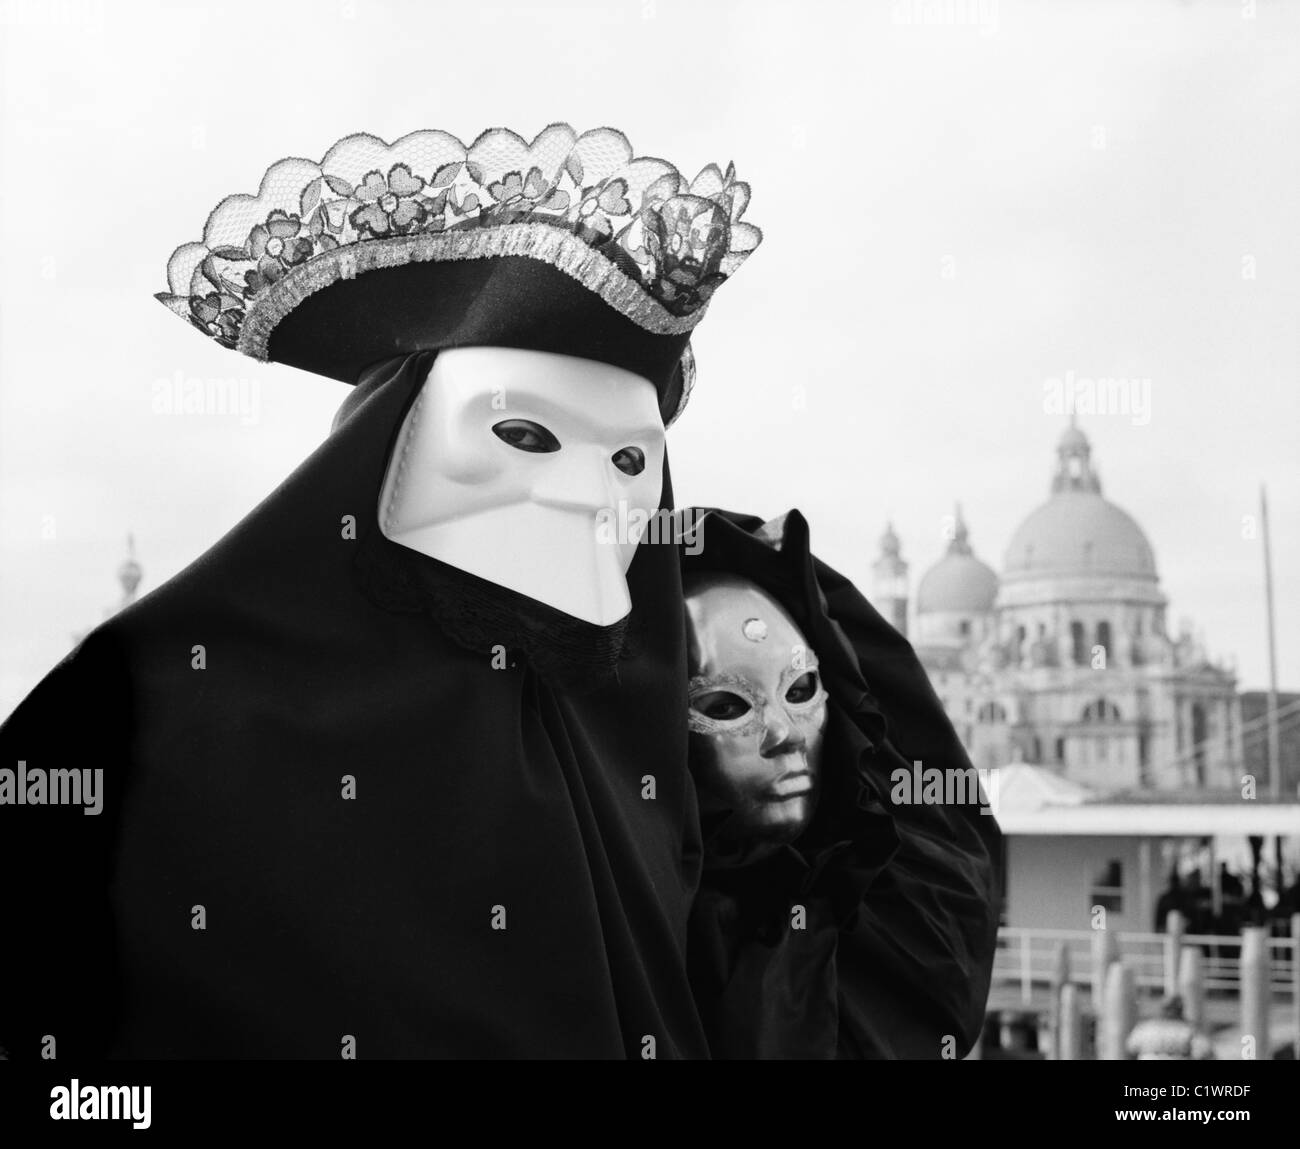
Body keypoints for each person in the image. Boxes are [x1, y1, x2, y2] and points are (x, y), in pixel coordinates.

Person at [0, 125, 761, 1058]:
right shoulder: (159, 719)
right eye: (527, 434)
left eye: (633, 461)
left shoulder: (636, 750)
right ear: (386, 447)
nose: (593, 495)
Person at [680, 509, 1002, 1058]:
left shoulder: (905, 924)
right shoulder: (621, 943)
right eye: (726, 704)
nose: (786, 736)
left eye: (801, 690)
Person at [1125, 996, 1215, 1061]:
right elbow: (1204, 1052)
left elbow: (1131, 1048)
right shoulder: (1189, 1029)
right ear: (1180, 1010)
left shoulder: (1145, 1027)